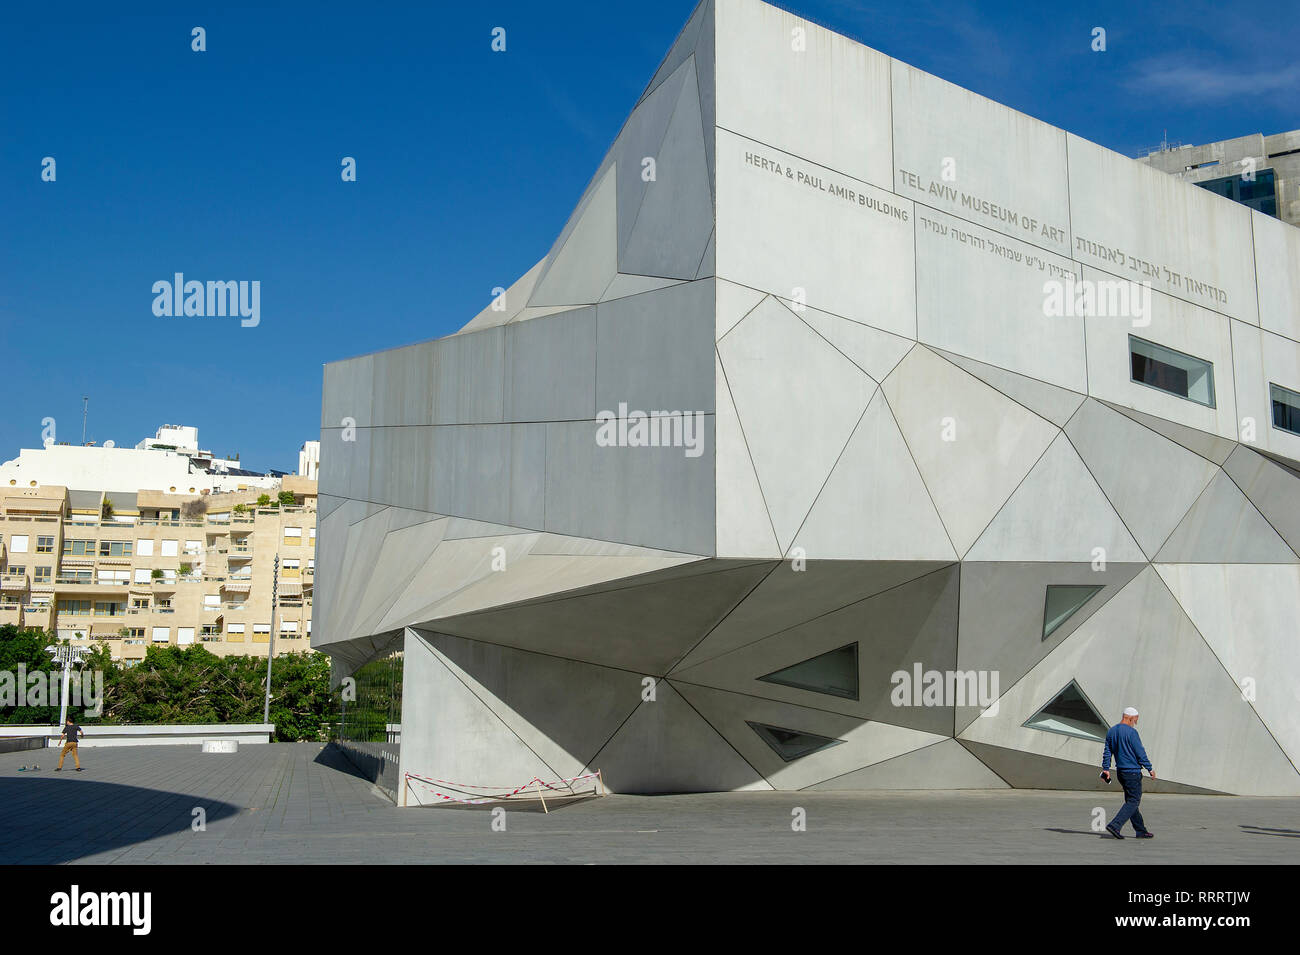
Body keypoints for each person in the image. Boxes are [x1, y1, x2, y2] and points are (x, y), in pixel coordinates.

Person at [1100, 706, 1153, 839]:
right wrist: (1149, 768)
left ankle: (1141, 830)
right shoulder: (1131, 733)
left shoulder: (1112, 731)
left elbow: (1107, 752)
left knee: (1130, 801)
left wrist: (1105, 769)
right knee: (1134, 801)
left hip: (1121, 772)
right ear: (1130, 718)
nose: (1135, 723)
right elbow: (1140, 752)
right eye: (1135, 720)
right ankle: (1115, 825)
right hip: (1132, 772)